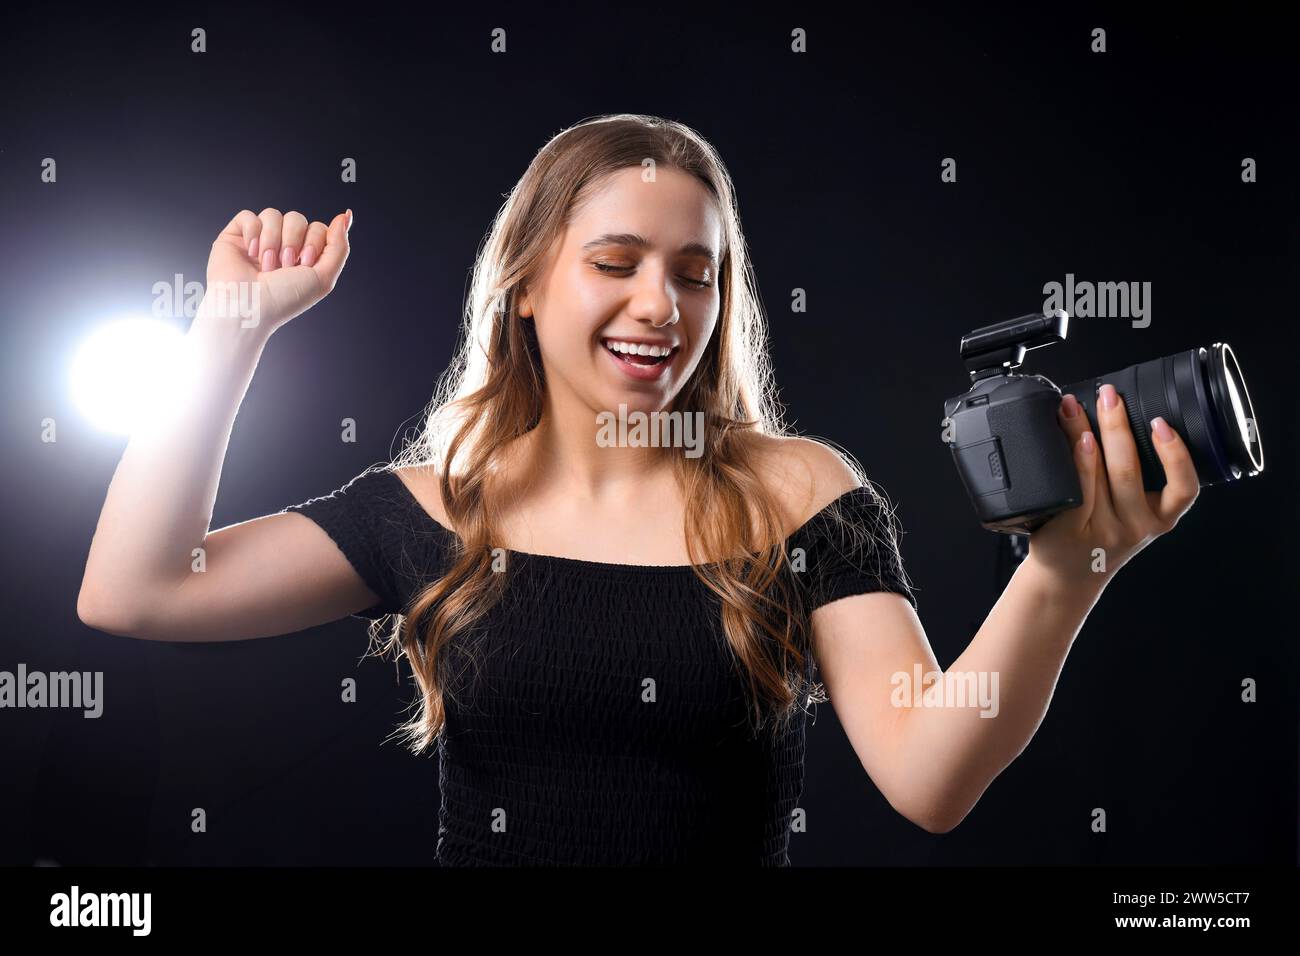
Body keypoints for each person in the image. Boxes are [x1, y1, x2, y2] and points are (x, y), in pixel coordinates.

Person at [77, 114, 1200, 866]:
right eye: (615, 263)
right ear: (525, 285)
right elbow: (135, 589)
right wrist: (228, 330)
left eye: (695, 274)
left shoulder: (799, 495)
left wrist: (1064, 571)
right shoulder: (436, 511)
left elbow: (928, 775)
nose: (661, 304)